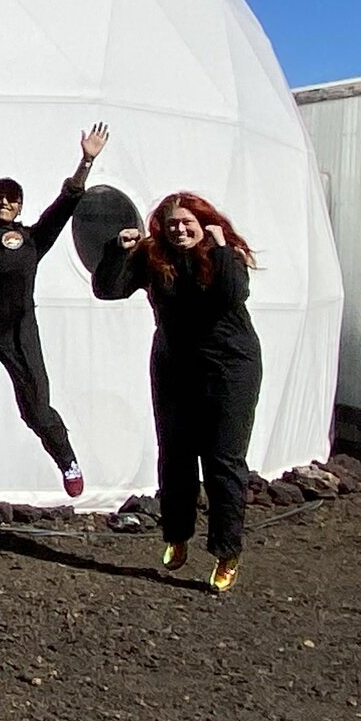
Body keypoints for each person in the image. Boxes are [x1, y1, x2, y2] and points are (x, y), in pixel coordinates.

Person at [0, 110, 108, 500]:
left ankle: (67, 461)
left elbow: (65, 203)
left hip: (18, 336)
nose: (4, 203)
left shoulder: (31, 240)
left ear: (20, 206)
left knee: (37, 410)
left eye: (12, 198)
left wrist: (86, 161)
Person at [92, 192, 264, 594]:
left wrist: (220, 248)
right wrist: (118, 250)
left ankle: (226, 551)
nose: (180, 231)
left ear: (205, 225)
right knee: (175, 453)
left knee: (223, 459)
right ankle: (177, 534)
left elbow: (231, 293)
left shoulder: (226, 256)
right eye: (172, 225)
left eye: (188, 223)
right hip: (174, 366)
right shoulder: (155, 259)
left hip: (229, 367)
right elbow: (108, 289)